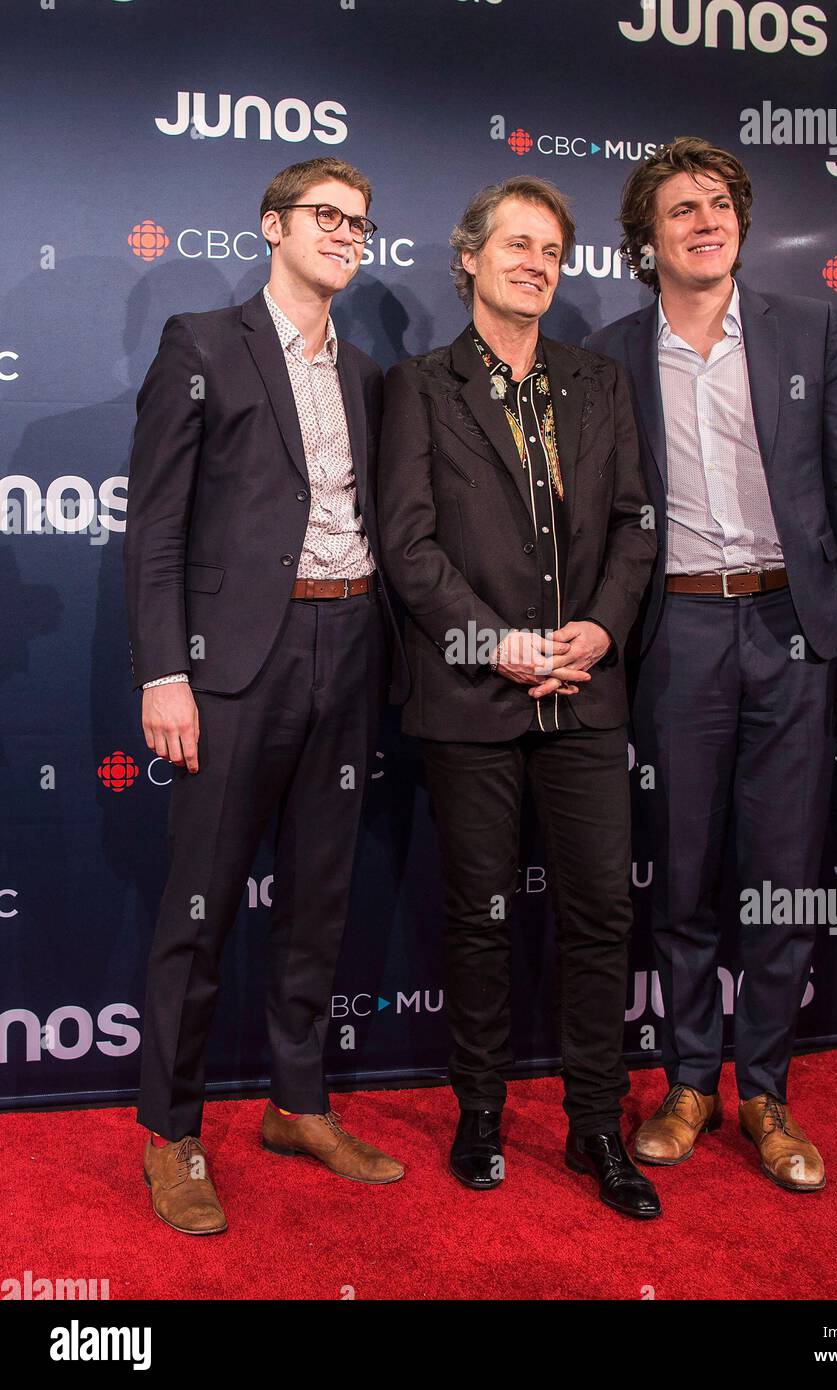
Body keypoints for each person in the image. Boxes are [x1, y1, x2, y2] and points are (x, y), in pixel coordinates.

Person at [585, 138, 837, 1193]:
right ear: (647, 238)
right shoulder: (614, 355)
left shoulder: (809, 329)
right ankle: (687, 1081)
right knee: (679, 873)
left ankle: (764, 1089)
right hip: (674, 633)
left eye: (719, 205)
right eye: (681, 209)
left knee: (782, 879)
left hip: (791, 631)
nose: (705, 221)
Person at [124, 156, 406, 1235]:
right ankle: (170, 1132)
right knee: (198, 902)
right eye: (326, 217)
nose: (346, 235)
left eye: (361, 225)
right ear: (271, 226)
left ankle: (297, 1103)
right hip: (236, 658)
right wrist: (164, 671)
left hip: (351, 640)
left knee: (320, 896)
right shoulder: (203, 343)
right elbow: (154, 525)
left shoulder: (369, 372)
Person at [378, 177, 660, 1219]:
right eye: (516, 245)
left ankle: (595, 1126)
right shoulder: (418, 385)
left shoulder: (599, 382)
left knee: (599, 914)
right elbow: (408, 546)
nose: (536, 262)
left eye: (551, 249)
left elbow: (636, 524)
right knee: (480, 918)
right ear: (469, 259)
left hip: (588, 692)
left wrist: (600, 627)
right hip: (470, 699)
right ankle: (482, 1111)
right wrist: (492, 643)